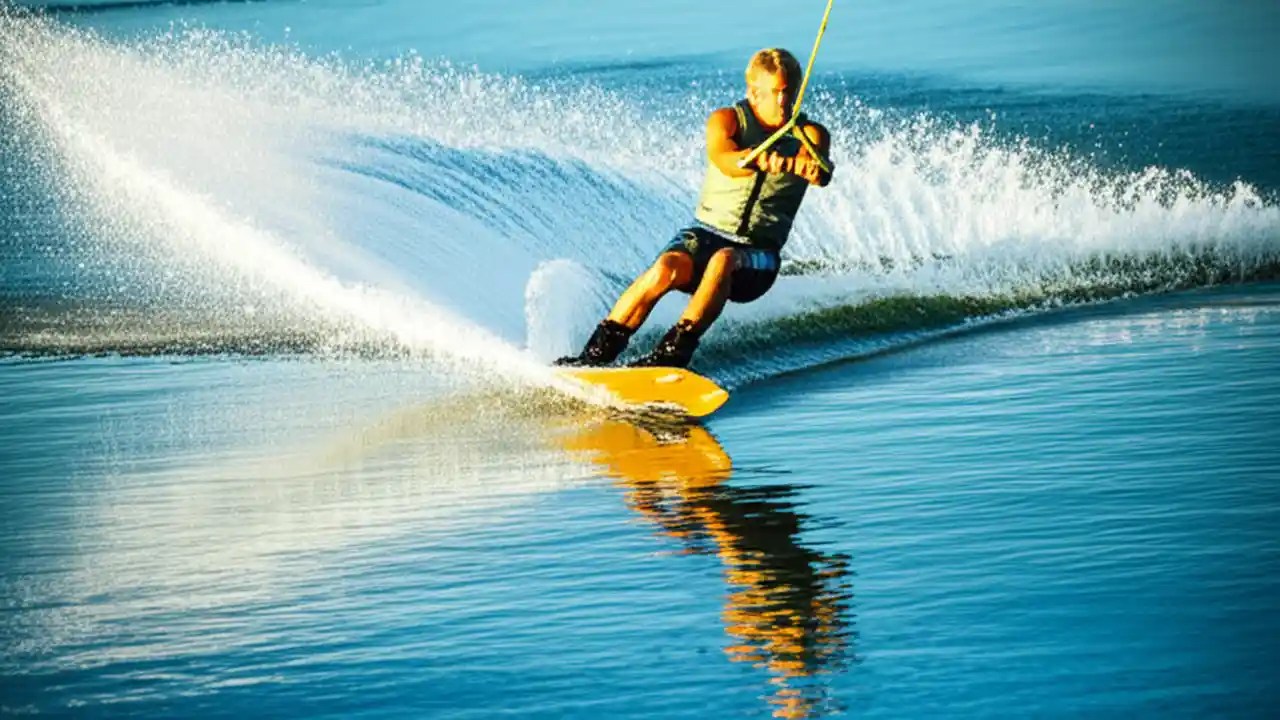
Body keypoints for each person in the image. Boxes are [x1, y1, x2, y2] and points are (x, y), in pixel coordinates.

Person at [556, 48, 834, 369]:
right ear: (754, 93)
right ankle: (594, 356)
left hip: (758, 257)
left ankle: (673, 355)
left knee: (724, 259)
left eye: (790, 93)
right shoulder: (726, 121)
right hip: (706, 234)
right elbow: (725, 159)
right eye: (775, 94)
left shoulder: (810, 135)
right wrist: (758, 159)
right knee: (665, 268)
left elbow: (820, 170)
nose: (784, 102)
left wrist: (811, 169)